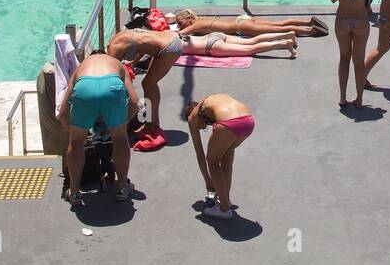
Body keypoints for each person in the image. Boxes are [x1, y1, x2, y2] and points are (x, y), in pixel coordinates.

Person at [106, 26, 295, 151]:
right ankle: (150, 123)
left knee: (148, 84)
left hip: (169, 48)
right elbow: (141, 45)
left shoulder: (113, 52)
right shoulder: (121, 36)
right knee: (148, 83)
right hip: (169, 39)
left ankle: (152, 124)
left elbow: (115, 81)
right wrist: (134, 61)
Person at [58, 51, 140, 206]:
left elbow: (62, 114)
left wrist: (76, 131)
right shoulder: (118, 65)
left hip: (85, 86)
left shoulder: (80, 68)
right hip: (112, 86)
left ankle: (74, 193)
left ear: (89, 57)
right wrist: (122, 123)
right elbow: (135, 102)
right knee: (120, 139)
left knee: (75, 143)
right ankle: (122, 187)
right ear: (107, 56)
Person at [186, 93, 254, 221]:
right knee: (227, 156)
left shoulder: (192, 117)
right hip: (248, 120)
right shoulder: (211, 100)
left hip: (229, 123)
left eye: (202, 128)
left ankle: (224, 209)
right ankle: (225, 200)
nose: (203, 128)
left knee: (212, 162)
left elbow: (200, 155)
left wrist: (208, 182)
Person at [330, 0, 373, 108]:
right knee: (359, 61)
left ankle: (342, 97)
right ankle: (359, 99)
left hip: (342, 21)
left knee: (344, 58)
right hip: (360, 21)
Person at [170, 8, 329, 39]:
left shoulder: (196, 25)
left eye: (179, 22)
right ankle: (307, 21)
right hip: (242, 19)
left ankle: (310, 31)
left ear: (188, 19)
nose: (179, 25)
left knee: (276, 30)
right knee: (278, 24)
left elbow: (179, 34)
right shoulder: (201, 19)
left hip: (241, 27)